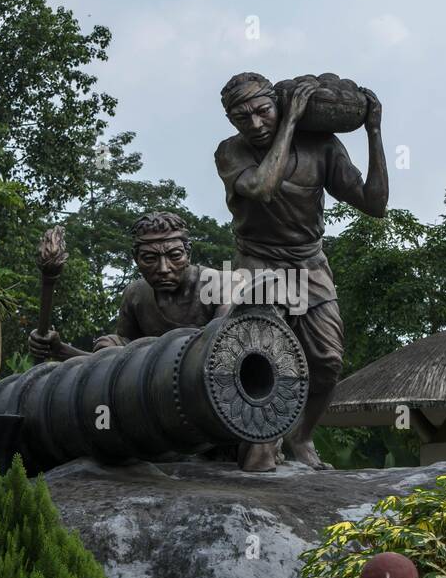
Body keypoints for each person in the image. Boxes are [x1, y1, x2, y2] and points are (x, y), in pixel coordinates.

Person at [215, 71, 388, 470]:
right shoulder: (230, 152)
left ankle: (302, 436)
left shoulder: (322, 148)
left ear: (275, 102)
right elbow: (262, 187)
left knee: (327, 360)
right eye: (243, 118)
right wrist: (289, 121)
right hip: (258, 263)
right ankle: (263, 437)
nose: (255, 124)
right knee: (269, 353)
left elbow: (375, 205)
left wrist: (373, 133)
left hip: (310, 263)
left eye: (262, 111)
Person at [27, 212, 225, 360]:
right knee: (108, 343)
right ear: (135, 258)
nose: (164, 268)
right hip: (153, 386)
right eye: (149, 258)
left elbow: (224, 347)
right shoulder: (136, 294)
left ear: (188, 253)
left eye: (174, 256)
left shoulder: (219, 285)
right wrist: (60, 349)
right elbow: (117, 361)